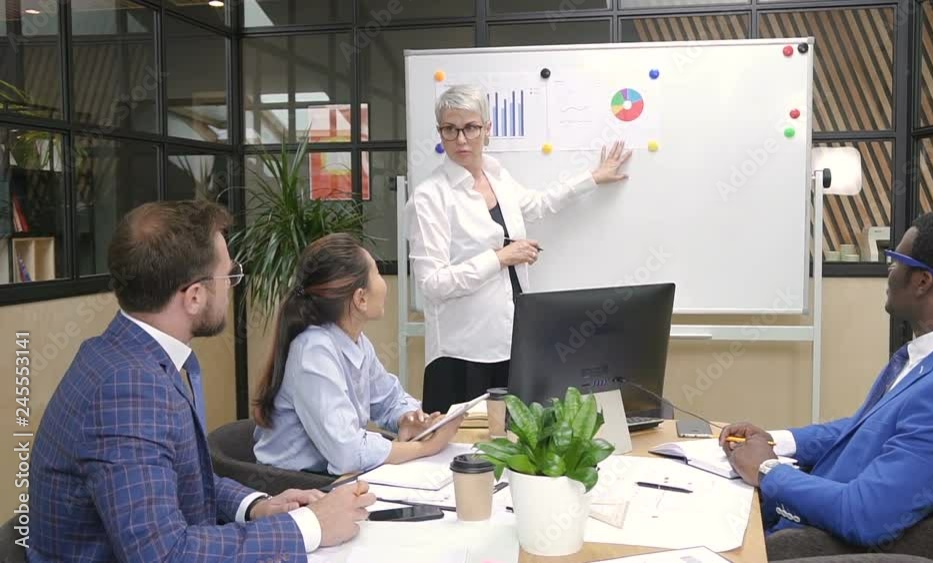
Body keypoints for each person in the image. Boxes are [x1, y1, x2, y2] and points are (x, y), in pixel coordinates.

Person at [29, 201, 375, 562]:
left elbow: (178, 480)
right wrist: (310, 526)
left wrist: (260, 506)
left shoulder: (123, 353)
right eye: (229, 276)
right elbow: (165, 555)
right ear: (194, 296)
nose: (231, 287)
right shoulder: (128, 389)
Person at [721, 210, 933, 548]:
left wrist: (767, 469)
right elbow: (866, 430)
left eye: (895, 261)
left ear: (923, 282)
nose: (889, 270)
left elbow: (864, 515)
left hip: (807, 547)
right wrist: (779, 441)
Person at [407, 84, 633, 413]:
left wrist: (593, 178)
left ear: (487, 130)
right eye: (449, 129)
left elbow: (540, 203)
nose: (460, 139)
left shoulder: (498, 178)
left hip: (512, 344)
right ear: (439, 132)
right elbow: (432, 284)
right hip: (463, 354)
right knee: (459, 456)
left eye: (470, 127)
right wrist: (499, 258)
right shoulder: (430, 197)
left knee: (514, 446)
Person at [253, 234, 463, 476]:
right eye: (376, 273)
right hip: (295, 487)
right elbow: (348, 453)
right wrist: (426, 447)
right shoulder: (313, 352)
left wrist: (409, 419)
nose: (383, 283)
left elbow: (388, 399)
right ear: (360, 298)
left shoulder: (355, 341)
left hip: (332, 479)